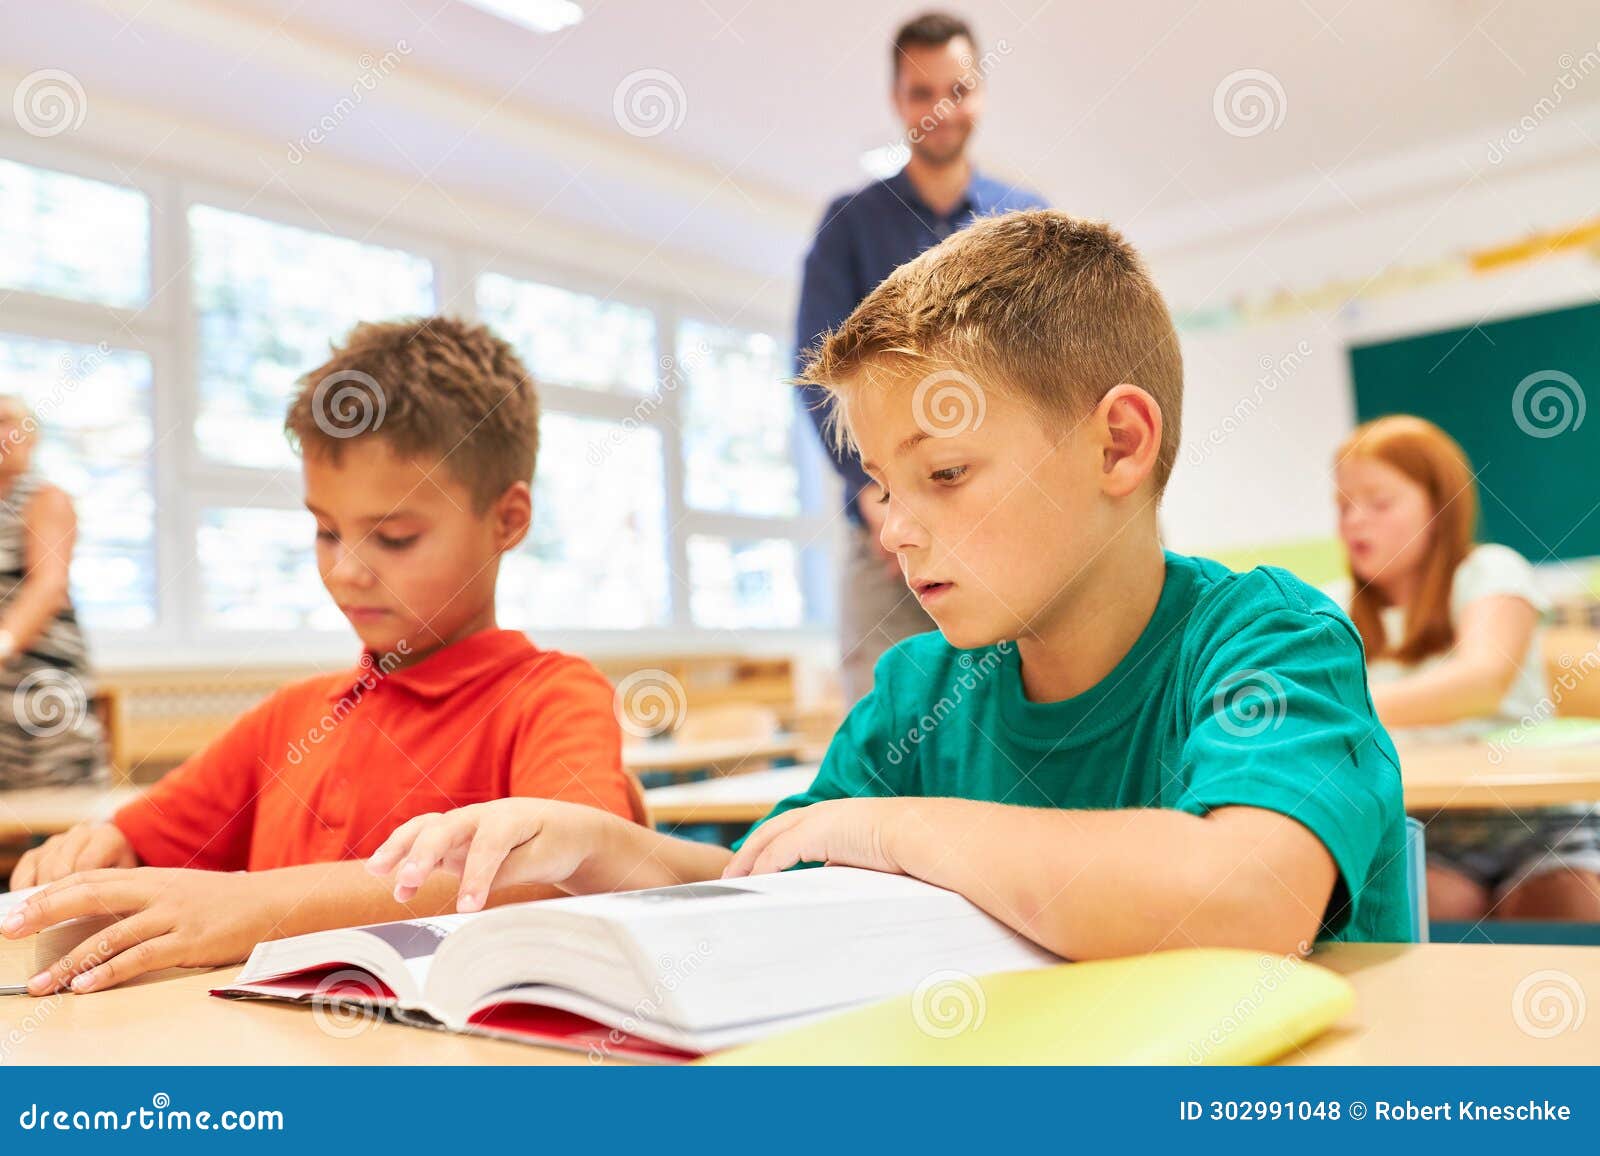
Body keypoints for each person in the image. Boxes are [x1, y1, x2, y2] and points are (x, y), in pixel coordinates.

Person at [369, 212, 1411, 955]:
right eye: (880, 485)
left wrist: (892, 827)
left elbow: (1241, 899)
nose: (896, 533)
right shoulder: (921, 689)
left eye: (946, 474)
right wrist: (603, 852)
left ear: (1118, 444)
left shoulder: (1271, 637)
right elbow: (786, 866)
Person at [2, 317, 646, 993]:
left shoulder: (552, 697)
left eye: (393, 537)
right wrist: (97, 851)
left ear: (508, 521)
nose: (345, 572)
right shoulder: (291, 718)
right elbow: (138, 842)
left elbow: (571, 878)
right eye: (325, 531)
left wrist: (258, 907)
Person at [796, 10, 1047, 700]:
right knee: (884, 737)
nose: (941, 108)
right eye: (920, 93)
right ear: (896, 101)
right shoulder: (849, 227)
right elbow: (818, 374)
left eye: (958, 90)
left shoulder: (1025, 224)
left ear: (982, 95)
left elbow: (1049, 373)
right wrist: (879, 498)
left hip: (1002, 527)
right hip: (882, 539)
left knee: (1017, 721)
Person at [1334, 414, 1600, 920]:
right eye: (1342, 506)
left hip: (1537, 818)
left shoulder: (1489, 570)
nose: (1354, 521)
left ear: (1438, 507)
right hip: (1422, 825)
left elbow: (1481, 683)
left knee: (1565, 902)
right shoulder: (1333, 605)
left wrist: (1345, 709)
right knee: (1429, 914)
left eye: (1379, 502)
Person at [0, 395, 107, 790]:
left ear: (32, 436)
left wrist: (4, 644)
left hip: (41, 685)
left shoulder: (46, 499)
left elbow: (48, 586)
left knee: (54, 815)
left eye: (6, 421)